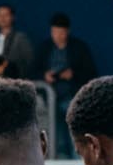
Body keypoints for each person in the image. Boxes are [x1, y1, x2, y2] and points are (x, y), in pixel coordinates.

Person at [42, 13, 98, 155]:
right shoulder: (45, 47)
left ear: (67, 31)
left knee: (74, 140)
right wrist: (45, 76)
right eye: (54, 32)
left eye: (61, 32)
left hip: (72, 100)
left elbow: (91, 73)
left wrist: (73, 74)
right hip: (50, 101)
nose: (58, 35)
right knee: (57, 140)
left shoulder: (79, 47)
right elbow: (33, 71)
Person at [0, 3, 38, 82]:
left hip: (14, 82)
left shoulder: (21, 38)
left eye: (6, 15)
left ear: (12, 17)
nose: (2, 18)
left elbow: (29, 62)